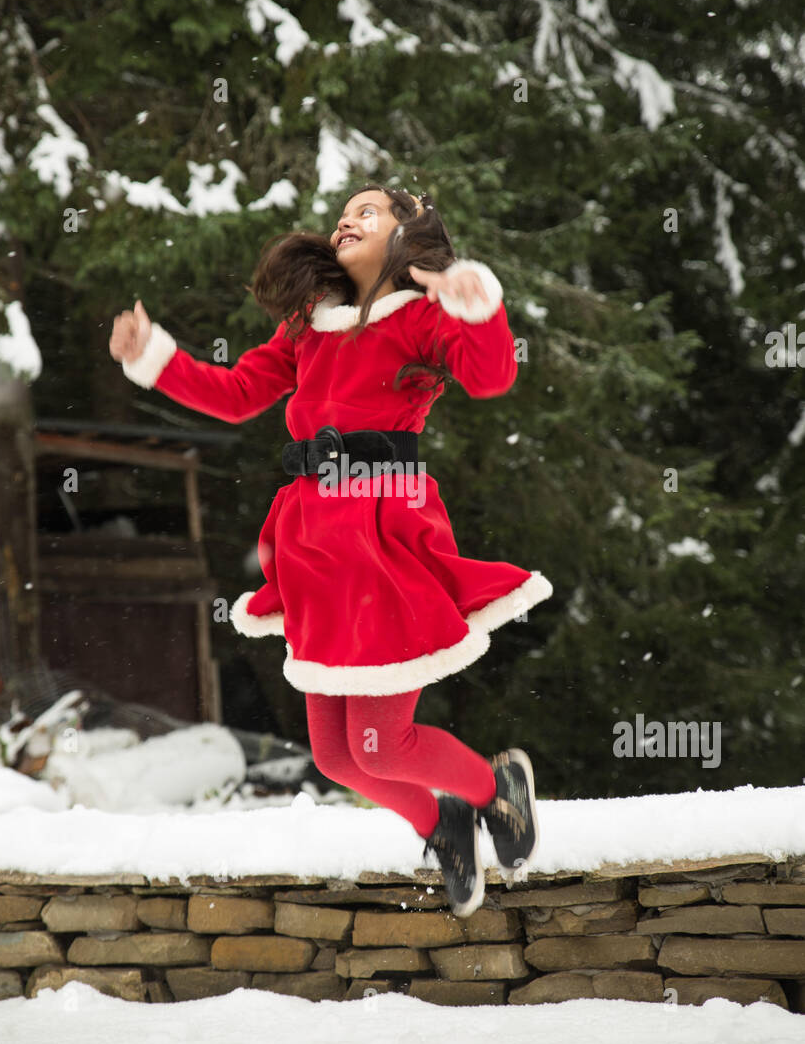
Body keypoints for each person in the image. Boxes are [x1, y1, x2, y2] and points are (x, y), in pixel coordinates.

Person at [109, 183, 553, 917]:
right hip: (311, 539)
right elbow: (235, 392)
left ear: (407, 234)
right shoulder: (307, 325)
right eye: (343, 212)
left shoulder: (423, 315)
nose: (347, 218)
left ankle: (493, 790)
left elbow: (490, 375)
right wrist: (156, 359)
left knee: (381, 743)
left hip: (383, 531)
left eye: (368, 212)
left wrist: (480, 308)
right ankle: (439, 823)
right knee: (337, 756)